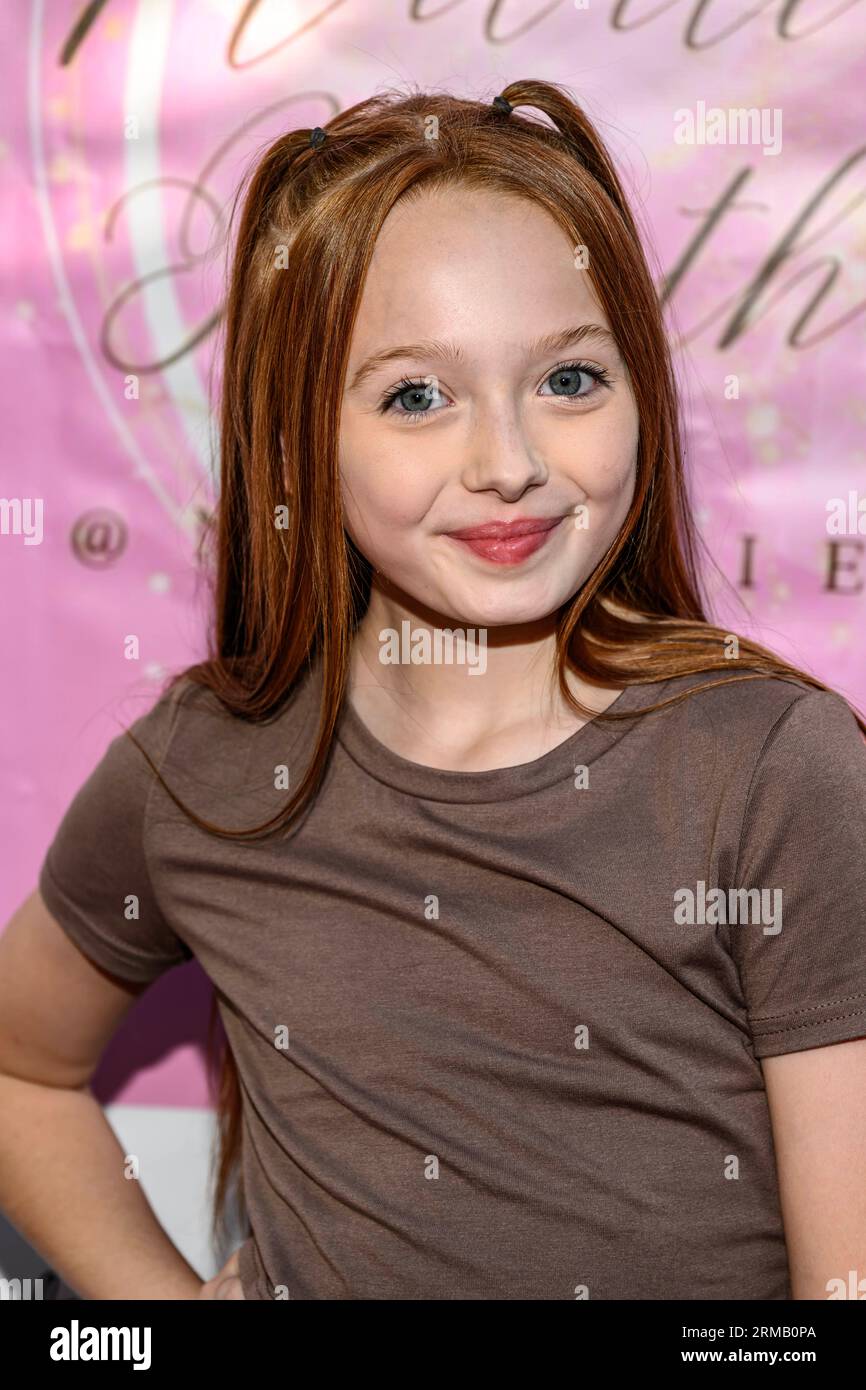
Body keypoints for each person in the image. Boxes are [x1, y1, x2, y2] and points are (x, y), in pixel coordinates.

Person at [1, 79, 865, 1302]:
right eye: (416, 396)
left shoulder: (775, 769)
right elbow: (19, 1068)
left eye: (569, 380)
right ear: (297, 441)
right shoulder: (207, 768)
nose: (507, 462)